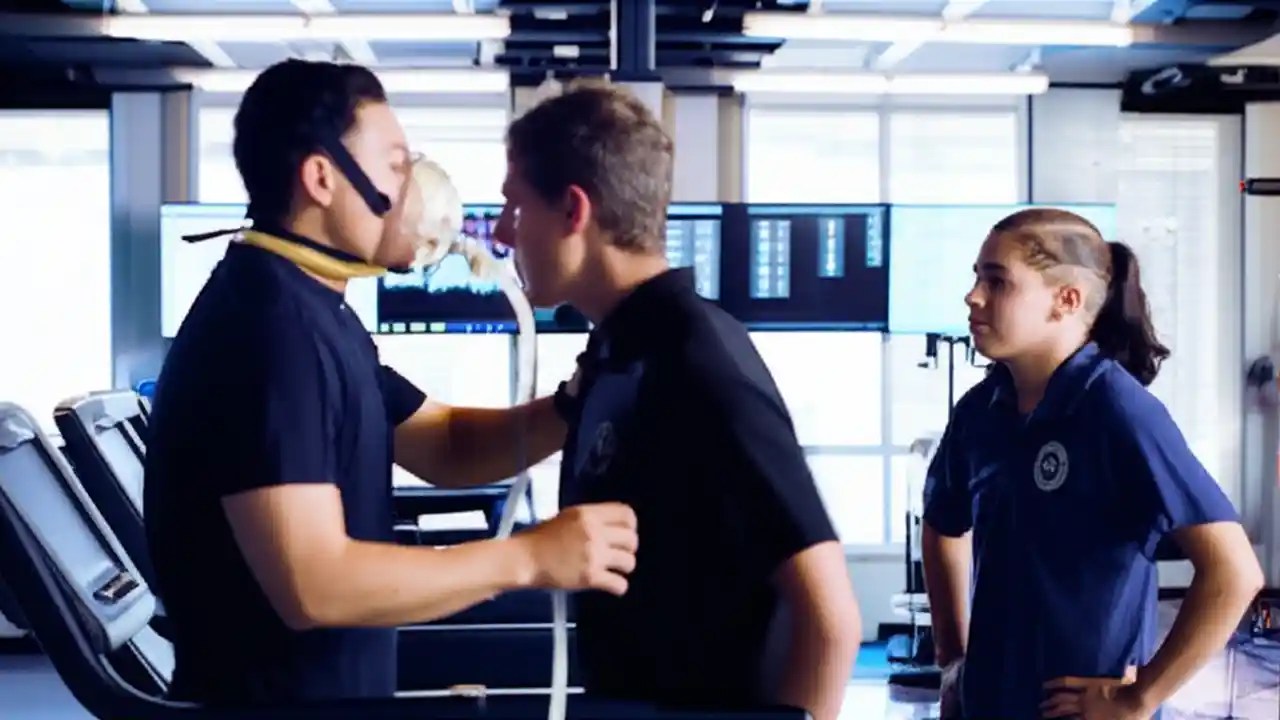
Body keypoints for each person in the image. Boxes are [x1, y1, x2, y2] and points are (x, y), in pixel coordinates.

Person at [144, 59, 638, 707]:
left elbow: (446, 444)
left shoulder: (314, 310)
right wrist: (528, 559)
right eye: (397, 165)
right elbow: (313, 584)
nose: (416, 189)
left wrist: (572, 403)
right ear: (321, 178)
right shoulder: (269, 332)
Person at [493, 79, 862, 720]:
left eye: (515, 206)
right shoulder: (618, 350)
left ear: (574, 212)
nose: (501, 233)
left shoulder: (696, 359)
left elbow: (831, 618)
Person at [920, 208, 1265, 720]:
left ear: (1067, 300)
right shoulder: (979, 411)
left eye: (996, 281)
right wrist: (953, 660)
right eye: (976, 278)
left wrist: (1138, 698)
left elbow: (1234, 572)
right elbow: (943, 526)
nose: (973, 296)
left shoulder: (1117, 410)